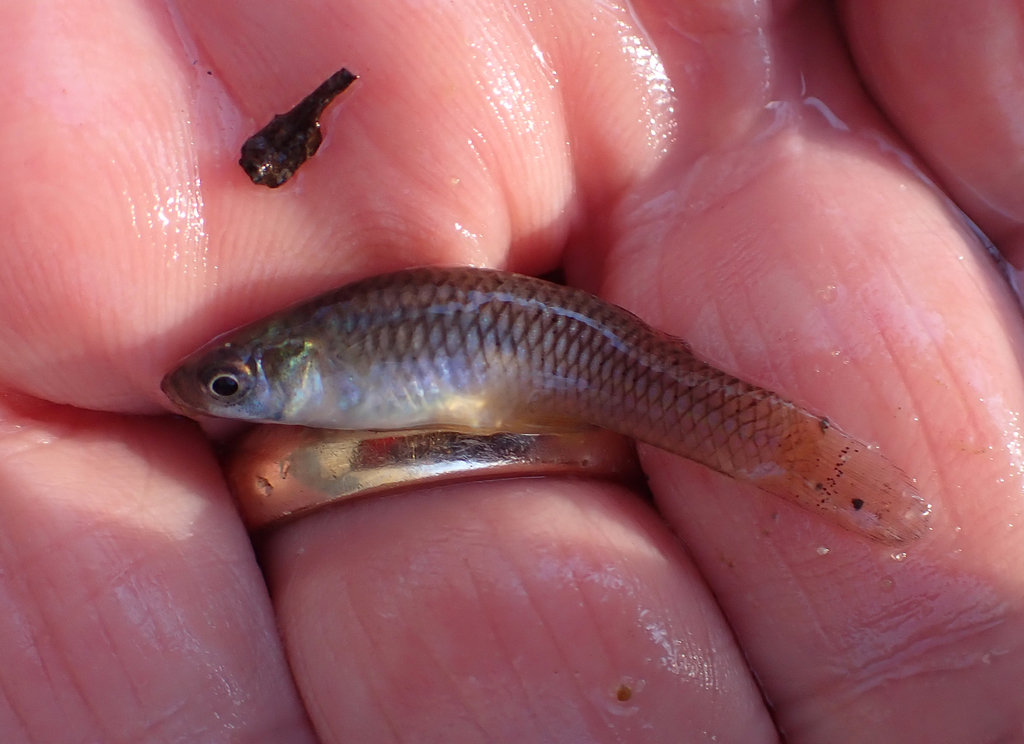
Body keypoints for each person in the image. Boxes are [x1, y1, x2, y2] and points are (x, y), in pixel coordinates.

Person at [0, 0, 1021, 741]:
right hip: (552, 354)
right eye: (228, 387)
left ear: (293, 365)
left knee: (697, 410)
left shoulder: (326, 354)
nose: (215, 396)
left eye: (230, 387)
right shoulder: (310, 342)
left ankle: (792, 458)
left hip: (565, 355)